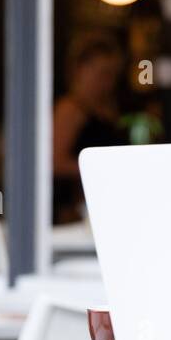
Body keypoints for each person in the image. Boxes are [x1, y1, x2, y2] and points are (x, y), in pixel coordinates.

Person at [53, 33, 127, 224]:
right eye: (102, 73)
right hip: (74, 210)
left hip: (100, 205)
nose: (107, 82)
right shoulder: (70, 109)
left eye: (112, 75)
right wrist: (99, 167)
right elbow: (54, 162)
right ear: (80, 69)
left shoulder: (107, 108)